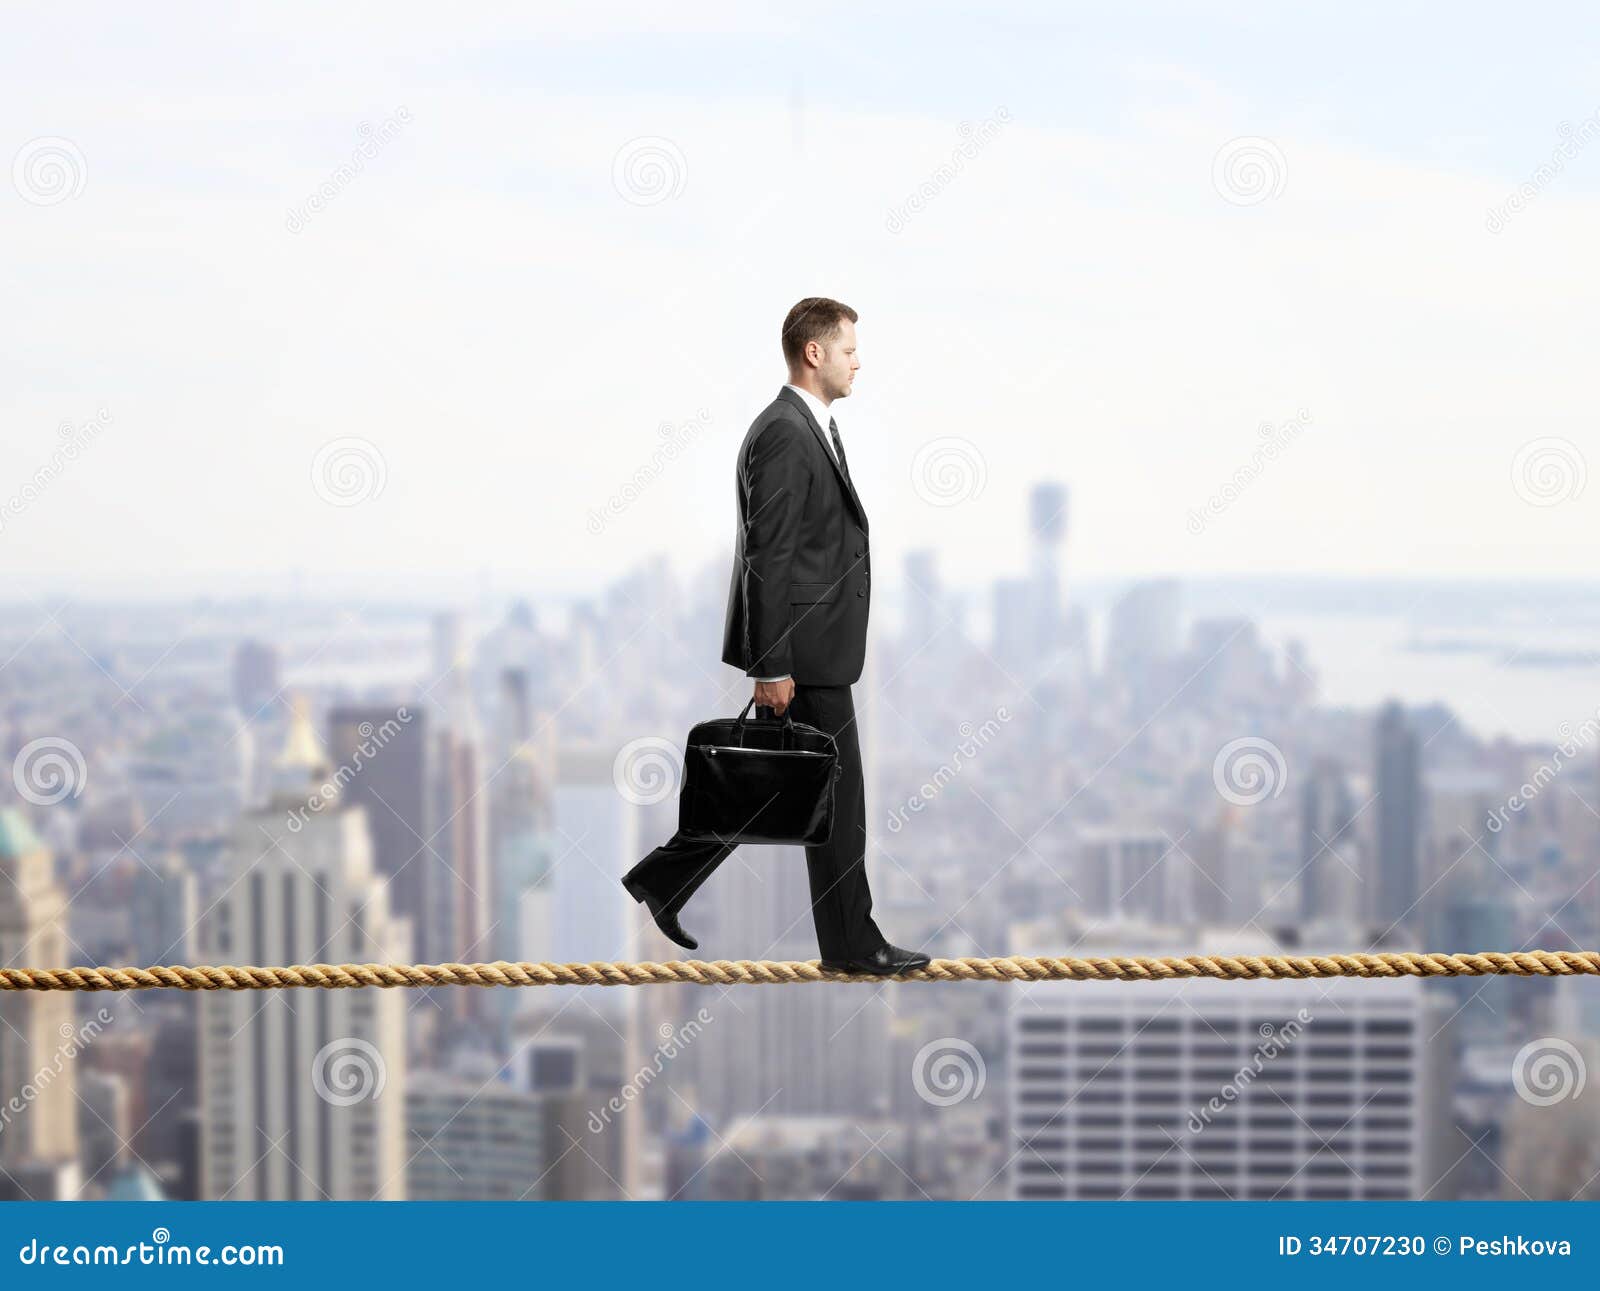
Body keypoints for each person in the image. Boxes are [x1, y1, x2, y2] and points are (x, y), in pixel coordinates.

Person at [621, 297, 931, 976]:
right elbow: (770, 554)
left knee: (772, 787)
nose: (859, 361)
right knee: (836, 799)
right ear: (813, 352)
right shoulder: (789, 432)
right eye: (849, 348)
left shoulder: (806, 426)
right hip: (803, 655)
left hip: (811, 650)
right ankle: (853, 943)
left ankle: (664, 879)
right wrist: (772, 664)